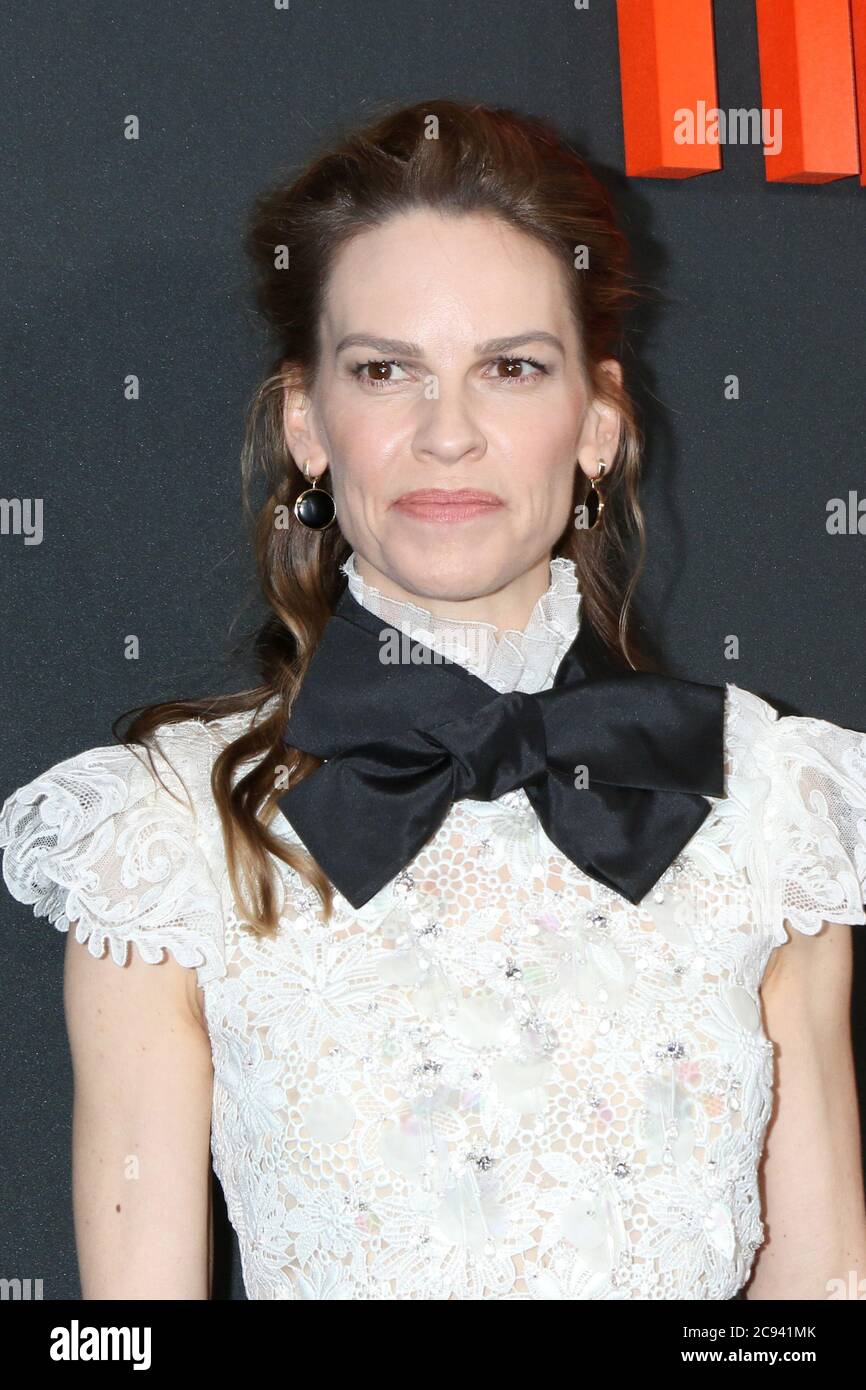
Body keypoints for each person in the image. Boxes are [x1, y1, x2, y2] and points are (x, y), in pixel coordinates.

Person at [2, 97, 866, 1302]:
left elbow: (817, 1293)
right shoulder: (164, 836)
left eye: (510, 368)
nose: (445, 432)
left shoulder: (769, 800)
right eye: (384, 370)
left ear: (599, 421)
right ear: (306, 422)